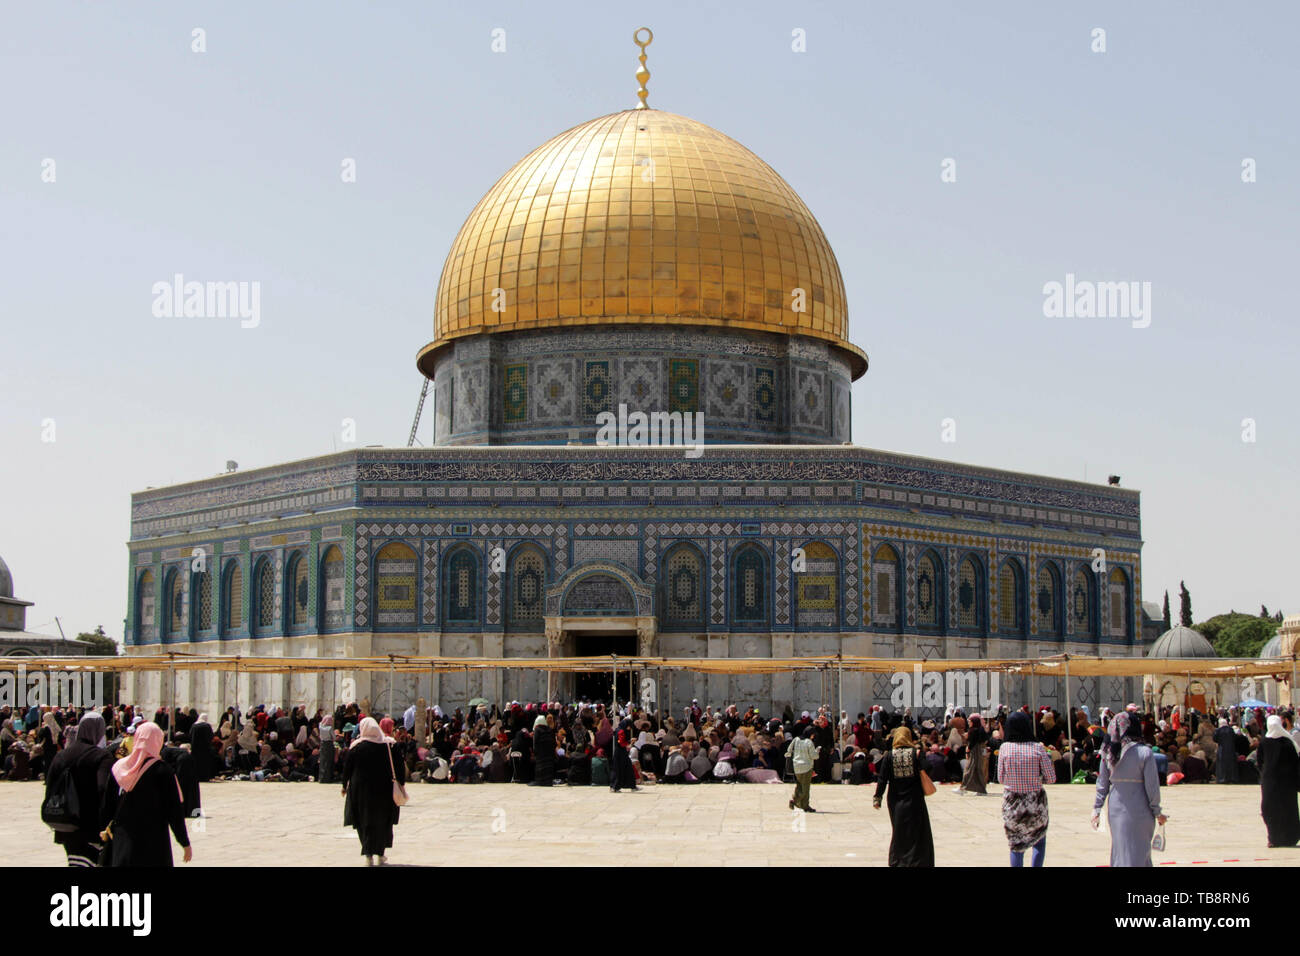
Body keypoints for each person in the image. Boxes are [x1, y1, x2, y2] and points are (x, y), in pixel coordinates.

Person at [100, 722, 192, 867]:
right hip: (153, 845)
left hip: (123, 842)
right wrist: (184, 842)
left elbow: (107, 806)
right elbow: (174, 812)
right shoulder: (163, 771)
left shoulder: (119, 768)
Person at [1092, 711, 1165, 867]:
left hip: (1115, 808)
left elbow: (1102, 782)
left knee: (1120, 851)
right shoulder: (1145, 752)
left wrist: (1097, 808)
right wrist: (1157, 811)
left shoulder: (1108, 753)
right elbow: (1152, 787)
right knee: (1139, 852)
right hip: (1140, 808)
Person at [44, 714, 115, 867]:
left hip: (65, 822)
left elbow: (50, 786)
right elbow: (103, 788)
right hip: (89, 826)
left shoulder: (61, 756)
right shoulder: (102, 757)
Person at [341, 716, 405, 865]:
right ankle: (380, 853)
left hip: (360, 792)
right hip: (384, 791)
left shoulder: (356, 747)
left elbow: (347, 769)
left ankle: (368, 854)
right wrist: (401, 783)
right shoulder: (389, 746)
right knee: (382, 822)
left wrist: (344, 786)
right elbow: (399, 766)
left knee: (363, 821)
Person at [872, 726, 935, 867]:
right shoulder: (916, 753)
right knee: (917, 831)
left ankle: (899, 861)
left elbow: (882, 779)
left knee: (899, 831)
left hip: (895, 801)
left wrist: (877, 798)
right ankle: (916, 861)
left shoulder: (889, 755)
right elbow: (928, 767)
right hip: (915, 799)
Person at [997, 710, 1054, 866]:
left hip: (1012, 803)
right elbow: (1051, 777)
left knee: (1016, 846)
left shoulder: (1005, 748)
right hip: (1035, 802)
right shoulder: (1038, 748)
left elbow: (1001, 778)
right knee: (1039, 841)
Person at [1257, 714, 1300, 848]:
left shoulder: (1264, 742)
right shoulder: (1288, 742)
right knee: (1287, 809)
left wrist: (1264, 773)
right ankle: (1289, 838)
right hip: (1287, 783)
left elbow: (1260, 761)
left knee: (1270, 809)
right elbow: (1296, 762)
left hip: (1270, 782)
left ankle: (1274, 838)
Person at [788, 727, 818, 812]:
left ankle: (801, 804)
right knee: (805, 787)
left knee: (799, 785)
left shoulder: (796, 739)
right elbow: (814, 756)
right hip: (807, 767)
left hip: (796, 766)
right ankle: (798, 802)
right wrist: (817, 752)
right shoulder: (809, 742)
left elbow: (789, 749)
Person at [959, 713, 989, 794]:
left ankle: (963, 788)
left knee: (970, 769)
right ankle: (981, 789)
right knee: (979, 770)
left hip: (975, 752)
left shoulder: (974, 730)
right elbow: (986, 739)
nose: (968, 722)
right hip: (980, 751)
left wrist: (968, 749)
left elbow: (973, 742)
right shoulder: (981, 729)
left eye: (970, 721)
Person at [531, 715, 555, 786]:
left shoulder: (537, 729)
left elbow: (535, 742)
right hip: (549, 753)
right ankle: (548, 781)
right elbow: (554, 742)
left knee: (540, 767)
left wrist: (535, 752)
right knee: (548, 767)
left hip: (541, 753)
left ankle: (540, 781)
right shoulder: (550, 729)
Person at [1213, 718, 1239, 783]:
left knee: (1222, 764)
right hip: (1231, 749)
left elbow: (1214, 739)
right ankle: (1232, 778)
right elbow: (1235, 738)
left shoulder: (1218, 730)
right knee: (1231, 764)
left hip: (1222, 749)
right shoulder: (1231, 730)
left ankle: (1222, 778)